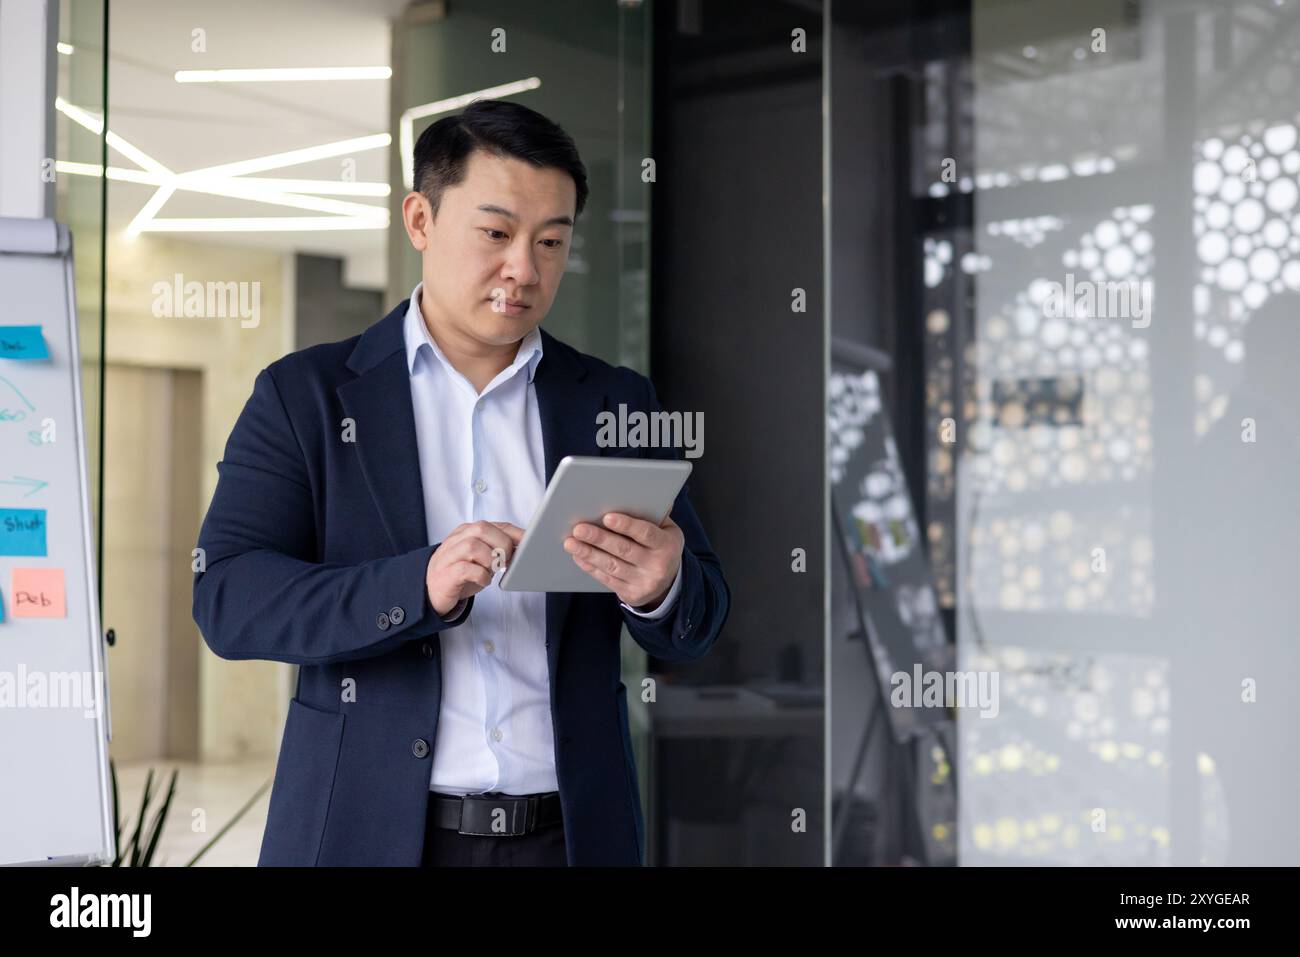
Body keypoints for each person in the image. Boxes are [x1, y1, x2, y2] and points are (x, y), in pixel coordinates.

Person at [191, 99, 730, 867]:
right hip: (370, 837)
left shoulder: (615, 402)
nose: (525, 269)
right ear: (419, 219)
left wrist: (660, 585)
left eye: (551, 242)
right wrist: (419, 582)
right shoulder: (306, 396)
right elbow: (229, 599)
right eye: (497, 233)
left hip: (570, 839)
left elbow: (700, 616)